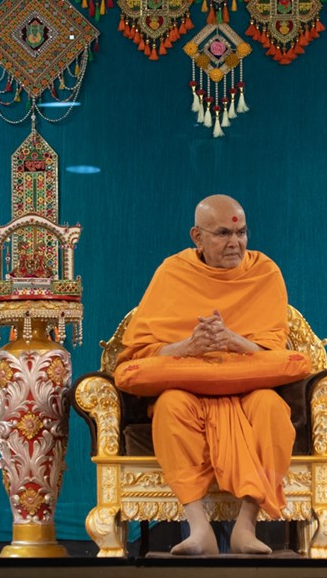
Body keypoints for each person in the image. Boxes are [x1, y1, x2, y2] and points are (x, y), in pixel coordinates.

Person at [117, 194, 299, 555]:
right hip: (188, 384)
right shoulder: (172, 273)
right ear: (197, 237)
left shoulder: (265, 272)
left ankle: (246, 527)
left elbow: (275, 348)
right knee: (170, 407)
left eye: (242, 233)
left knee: (272, 410)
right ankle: (199, 528)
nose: (236, 243)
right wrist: (188, 347)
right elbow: (139, 352)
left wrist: (234, 341)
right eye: (222, 235)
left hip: (246, 385)